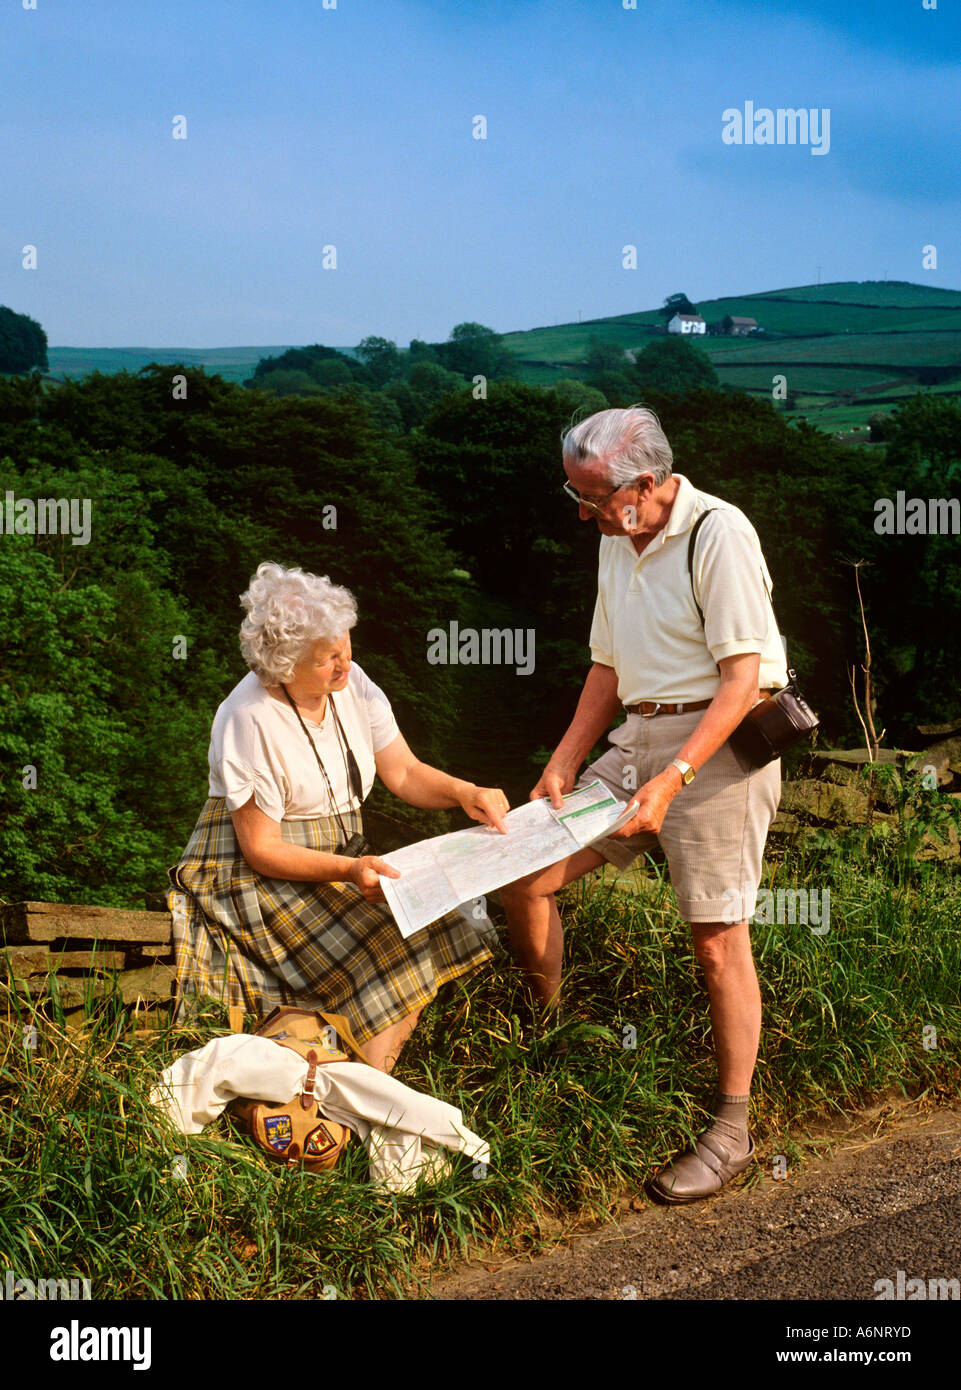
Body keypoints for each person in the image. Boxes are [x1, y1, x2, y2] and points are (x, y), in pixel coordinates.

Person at [499, 405, 788, 1202]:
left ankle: (731, 1130)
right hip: (637, 738)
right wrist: (563, 759)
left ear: (648, 484)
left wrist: (675, 778)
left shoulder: (715, 534)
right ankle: (551, 1047)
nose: (582, 512)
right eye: (576, 495)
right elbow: (604, 667)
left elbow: (743, 679)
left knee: (716, 941)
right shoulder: (614, 542)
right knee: (528, 875)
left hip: (718, 749)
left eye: (592, 497)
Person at [168, 561, 510, 1072]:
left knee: (441, 918)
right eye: (329, 657)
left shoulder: (353, 683)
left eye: (346, 648)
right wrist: (349, 871)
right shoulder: (248, 716)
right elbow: (262, 849)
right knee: (400, 946)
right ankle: (368, 1094)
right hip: (255, 872)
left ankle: (365, 1087)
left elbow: (406, 773)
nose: (344, 665)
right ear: (284, 663)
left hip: (343, 855)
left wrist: (465, 792)